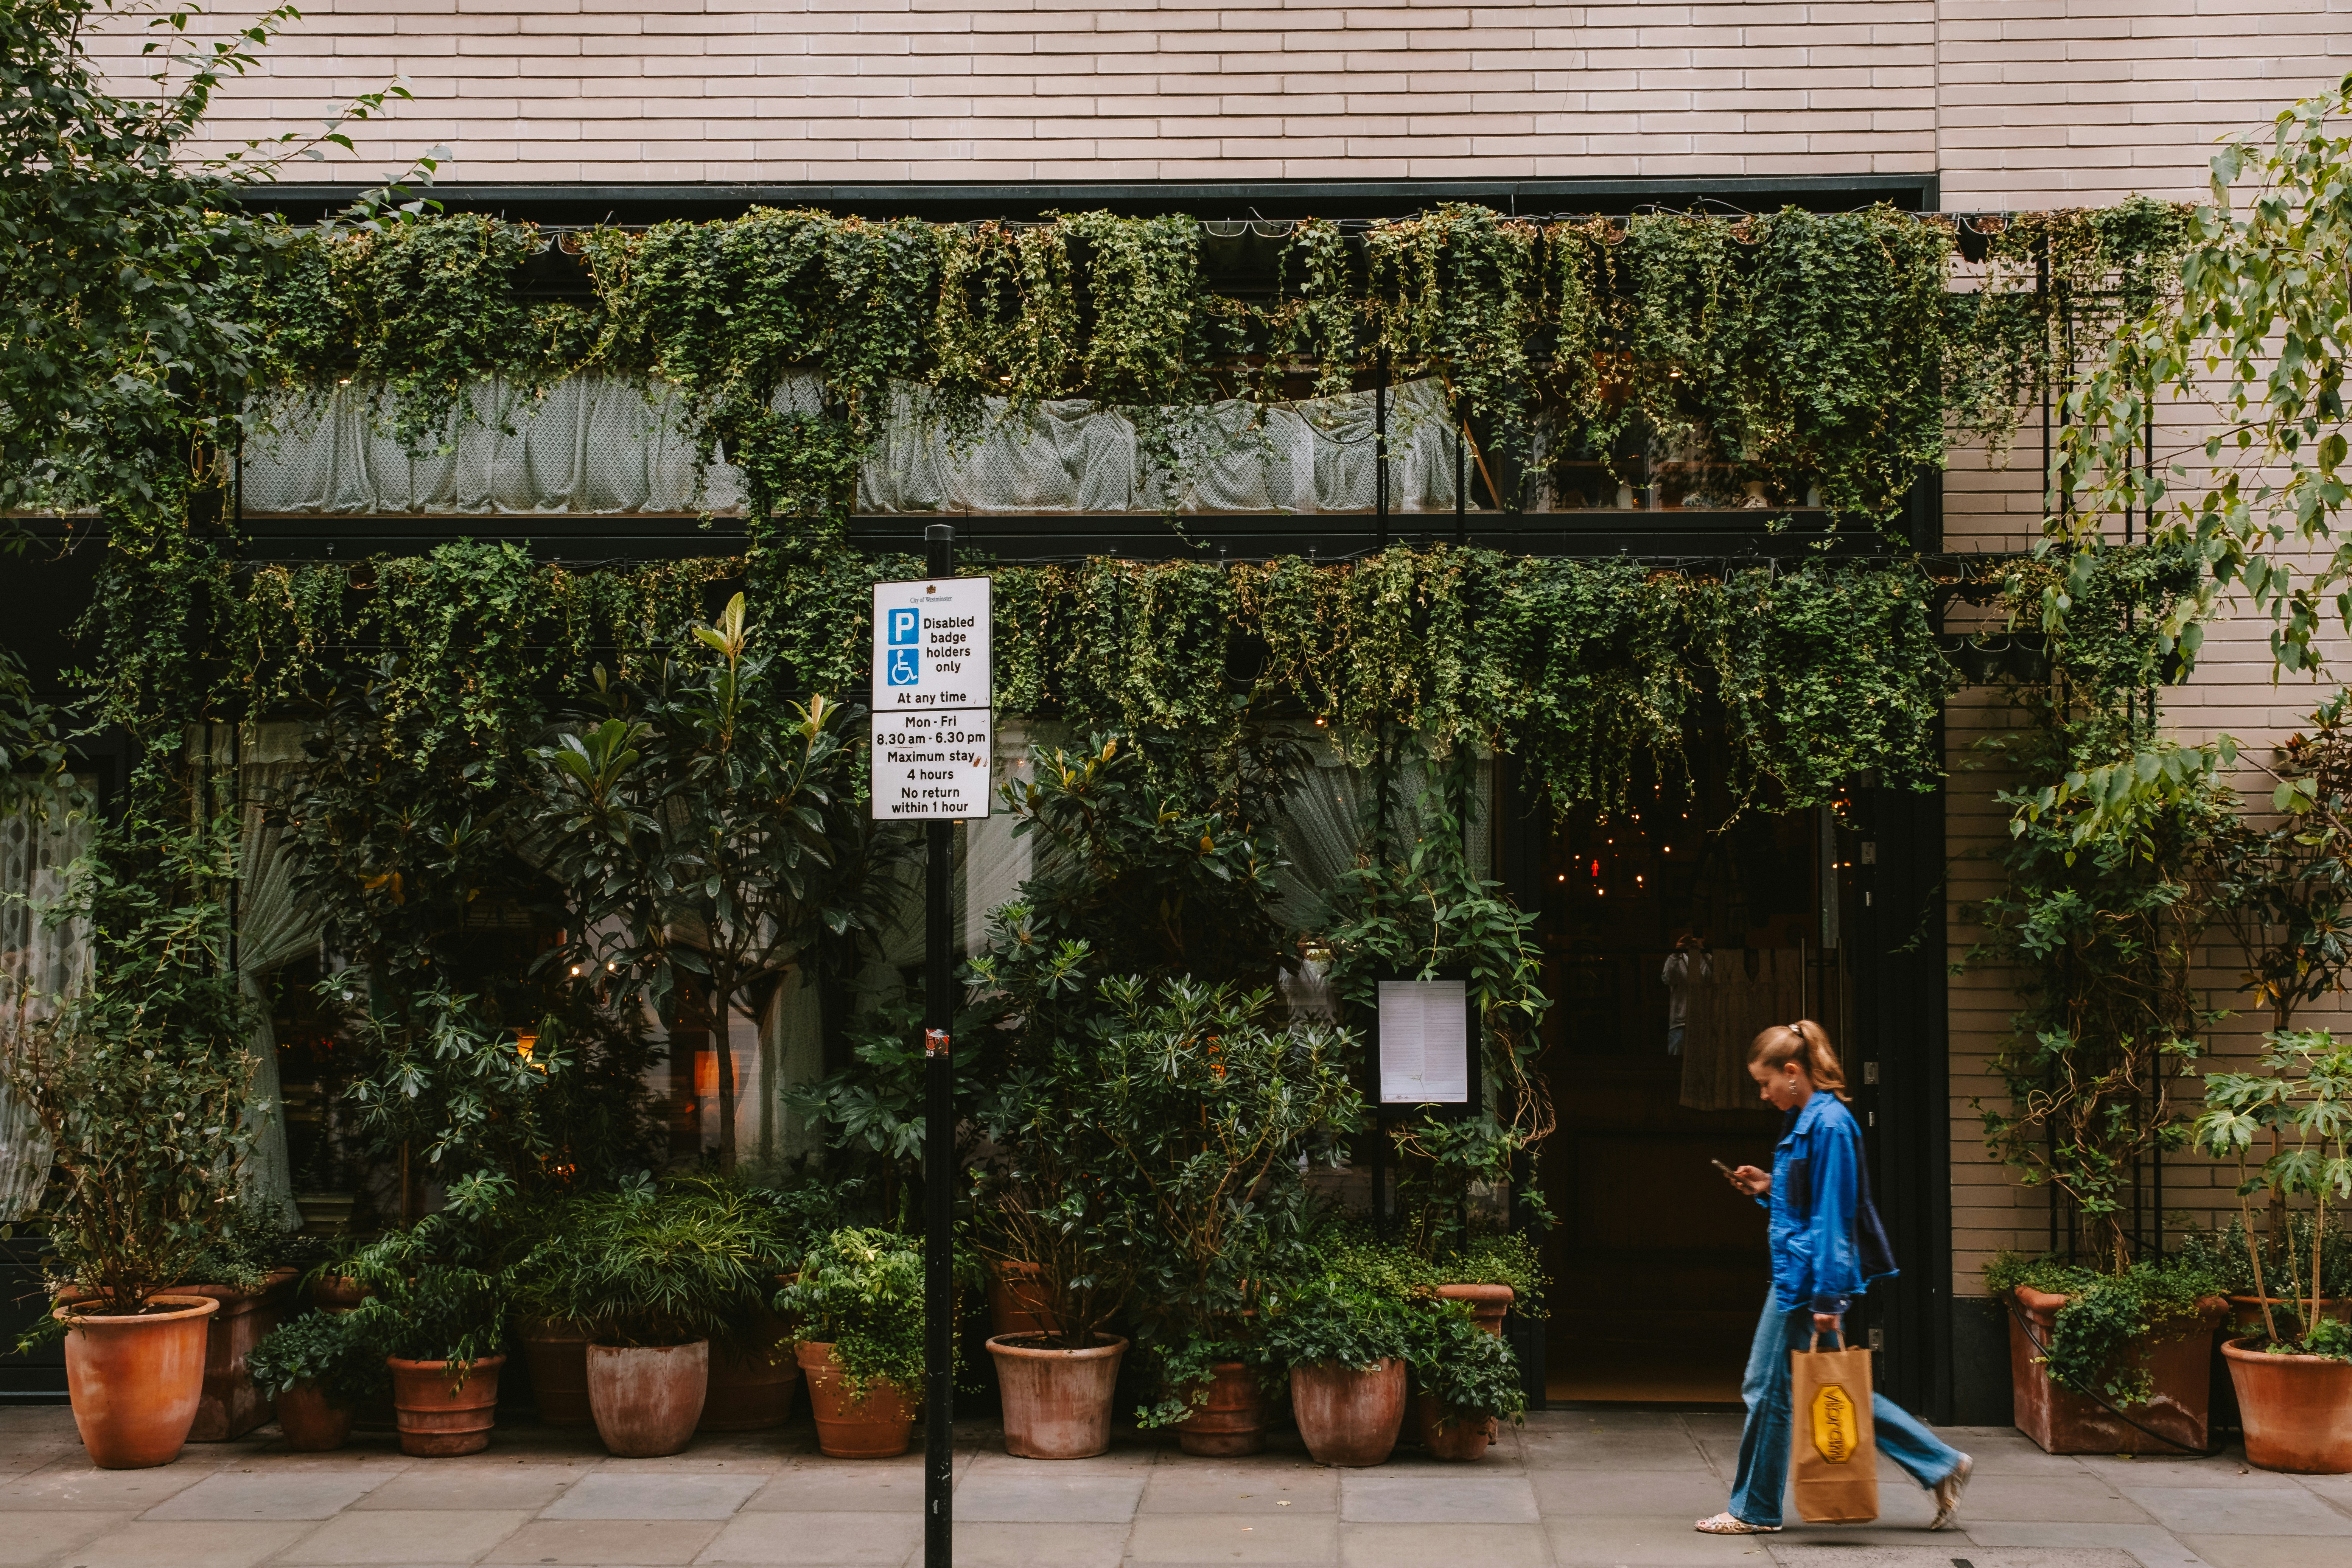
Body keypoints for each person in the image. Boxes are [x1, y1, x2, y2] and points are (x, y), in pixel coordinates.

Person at [1694, 1020, 1972, 1536]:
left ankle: (1754, 1510)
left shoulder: (1829, 1125)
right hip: (1800, 1274)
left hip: (1805, 1282)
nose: (1763, 1093)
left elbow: (1833, 1218)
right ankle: (1941, 1463)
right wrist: (1768, 1186)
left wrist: (1827, 1299)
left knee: (1768, 1388)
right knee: (1820, 1388)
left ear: (1793, 1073)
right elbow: (1806, 1202)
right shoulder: (1809, 1120)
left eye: (1766, 1082)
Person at [1659, 930, 1710, 1056]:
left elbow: (1715, 979)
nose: (1693, 941)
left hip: (1703, 1019)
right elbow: (1667, 979)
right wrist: (1676, 953)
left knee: (1702, 1057)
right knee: (1677, 1058)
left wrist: (1703, 951)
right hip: (1680, 1021)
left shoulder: (1707, 960)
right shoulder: (1677, 960)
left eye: (1696, 938)